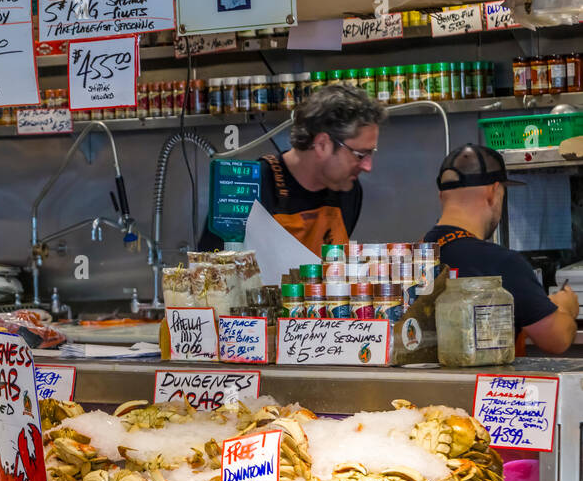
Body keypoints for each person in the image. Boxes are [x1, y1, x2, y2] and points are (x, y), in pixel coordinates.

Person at [423, 144, 578, 355]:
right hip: (484, 377)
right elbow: (556, 339)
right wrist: (566, 307)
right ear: (493, 192)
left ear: (441, 196)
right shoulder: (501, 263)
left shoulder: (414, 255)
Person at [201, 85, 386, 253]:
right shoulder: (247, 188)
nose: (368, 166)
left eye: (371, 153)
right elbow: (209, 271)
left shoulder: (347, 190)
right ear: (322, 144)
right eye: (360, 155)